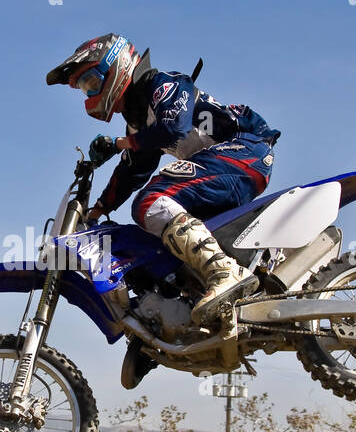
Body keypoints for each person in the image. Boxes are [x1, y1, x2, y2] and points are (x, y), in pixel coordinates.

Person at [46, 34, 281, 322]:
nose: (90, 93)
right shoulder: (138, 120)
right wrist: (95, 213)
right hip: (223, 169)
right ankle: (191, 301)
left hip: (245, 152)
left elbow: (173, 127)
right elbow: (132, 172)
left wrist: (120, 143)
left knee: (151, 202)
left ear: (116, 65)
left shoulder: (164, 85)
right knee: (157, 235)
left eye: (92, 82)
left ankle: (223, 271)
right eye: (85, 89)